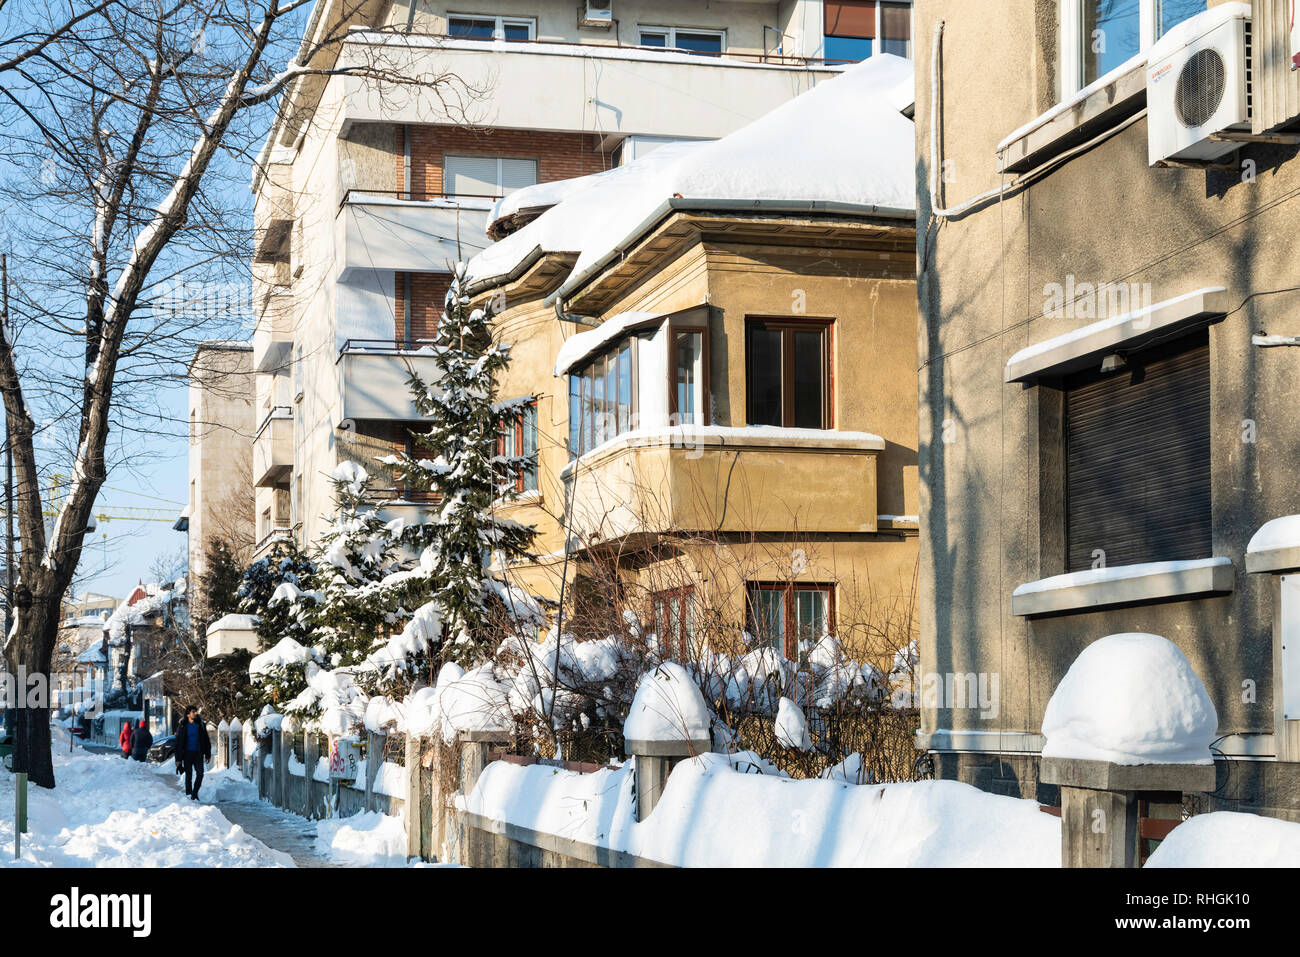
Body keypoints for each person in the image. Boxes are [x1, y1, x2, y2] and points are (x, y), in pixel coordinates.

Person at [174, 705, 211, 800]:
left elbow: (206, 739)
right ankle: (189, 794)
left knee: (200, 774)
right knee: (188, 775)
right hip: (187, 753)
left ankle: (194, 793)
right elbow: (178, 743)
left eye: (196, 711)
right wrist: (178, 759)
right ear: (188, 714)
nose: (195, 713)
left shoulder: (200, 724)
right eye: (193, 712)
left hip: (198, 753)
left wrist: (207, 753)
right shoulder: (183, 725)